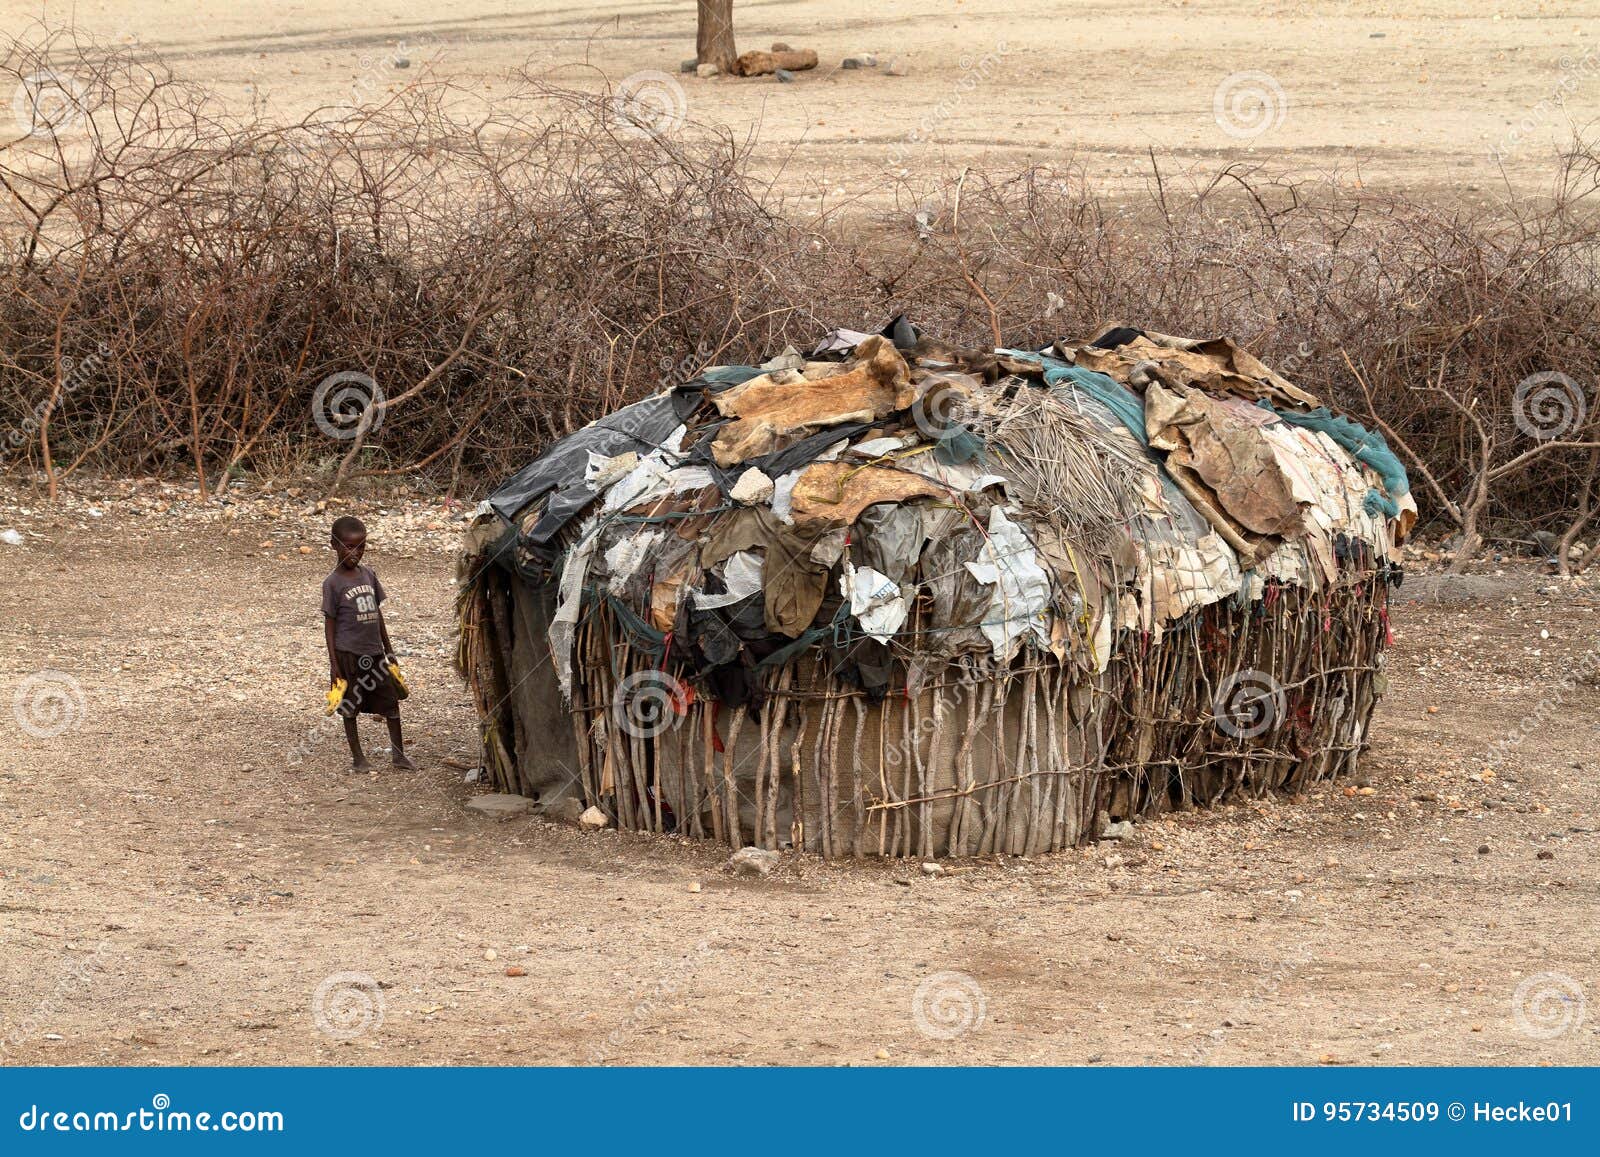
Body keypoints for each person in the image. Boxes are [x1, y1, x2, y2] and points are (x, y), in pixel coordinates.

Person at [321, 515, 416, 772]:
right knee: (349, 706)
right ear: (334, 545)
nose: (355, 553)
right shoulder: (332, 583)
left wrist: (389, 649)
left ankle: (399, 756)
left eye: (361, 546)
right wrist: (334, 663)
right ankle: (358, 759)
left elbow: (378, 614)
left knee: (390, 703)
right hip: (348, 654)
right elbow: (329, 624)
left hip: (375, 653)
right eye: (349, 546)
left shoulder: (369, 575)